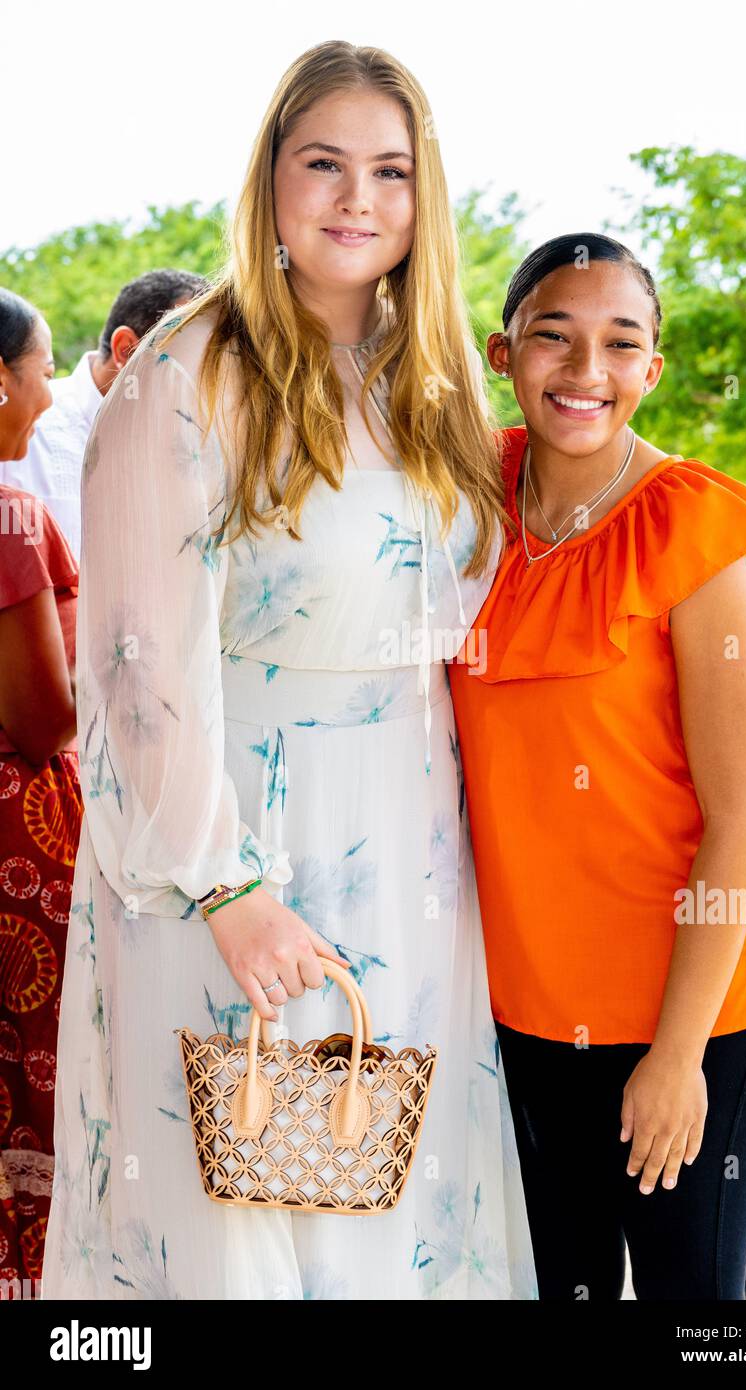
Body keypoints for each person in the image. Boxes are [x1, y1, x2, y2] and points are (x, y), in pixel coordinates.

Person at [40, 41, 535, 1301]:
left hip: (413, 845)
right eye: (323, 163)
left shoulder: (431, 377)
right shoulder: (186, 375)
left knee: (393, 1183)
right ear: (268, 179)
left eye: (389, 169)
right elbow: (136, 664)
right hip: (234, 853)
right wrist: (228, 890)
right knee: (245, 1179)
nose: (356, 199)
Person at [448, 233, 746, 1301]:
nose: (584, 373)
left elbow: (740, 806)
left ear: (650, 367)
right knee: (555, 1283)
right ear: (502, 350)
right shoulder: (467, 495)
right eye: (552, 339)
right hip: (528, 1001)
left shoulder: (686, 526)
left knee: (691, 1301)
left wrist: (677, 1055)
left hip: (698, 999)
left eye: (619, 344)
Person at [0, 289, 81, 1295]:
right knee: (33, 1079)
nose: (49, 391)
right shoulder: (12, 512)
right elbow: (41, 718)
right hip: (17, 835)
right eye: (41, 366)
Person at [0, 270, 208, 561]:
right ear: (126, 349)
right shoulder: (23, 428)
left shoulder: (194, 451)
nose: (206, 385)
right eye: (193, 363)